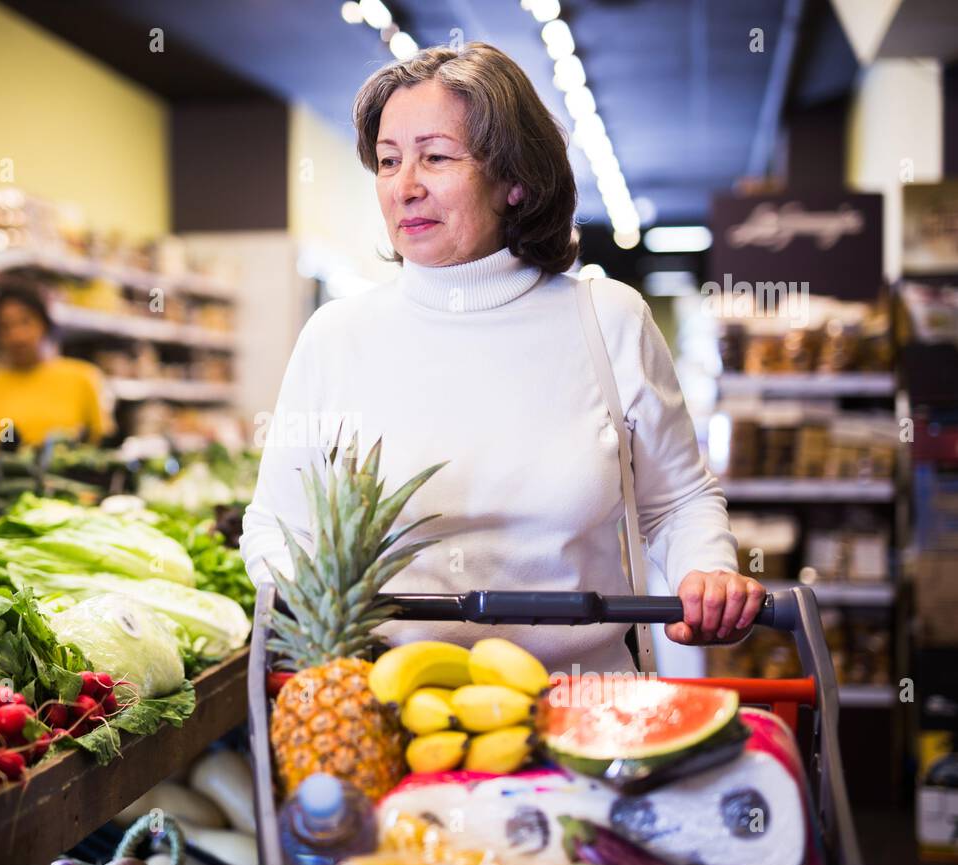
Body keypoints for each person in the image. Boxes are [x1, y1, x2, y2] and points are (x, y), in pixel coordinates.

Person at [240, 43, 765, 674]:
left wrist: (705, 570)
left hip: (586, 709)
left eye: (435, 157)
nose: (404, 187)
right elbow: (276, 523)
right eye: (387, 161)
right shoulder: (335, 336)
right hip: (392, 708)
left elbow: (676, 501)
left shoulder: (608, 321)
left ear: (515, 180)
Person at [0, 282, 114, 452]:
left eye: (25, 322)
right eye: (5, 326)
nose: (17, 335)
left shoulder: (84, 377)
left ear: (44, 323)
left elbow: (101, 441)